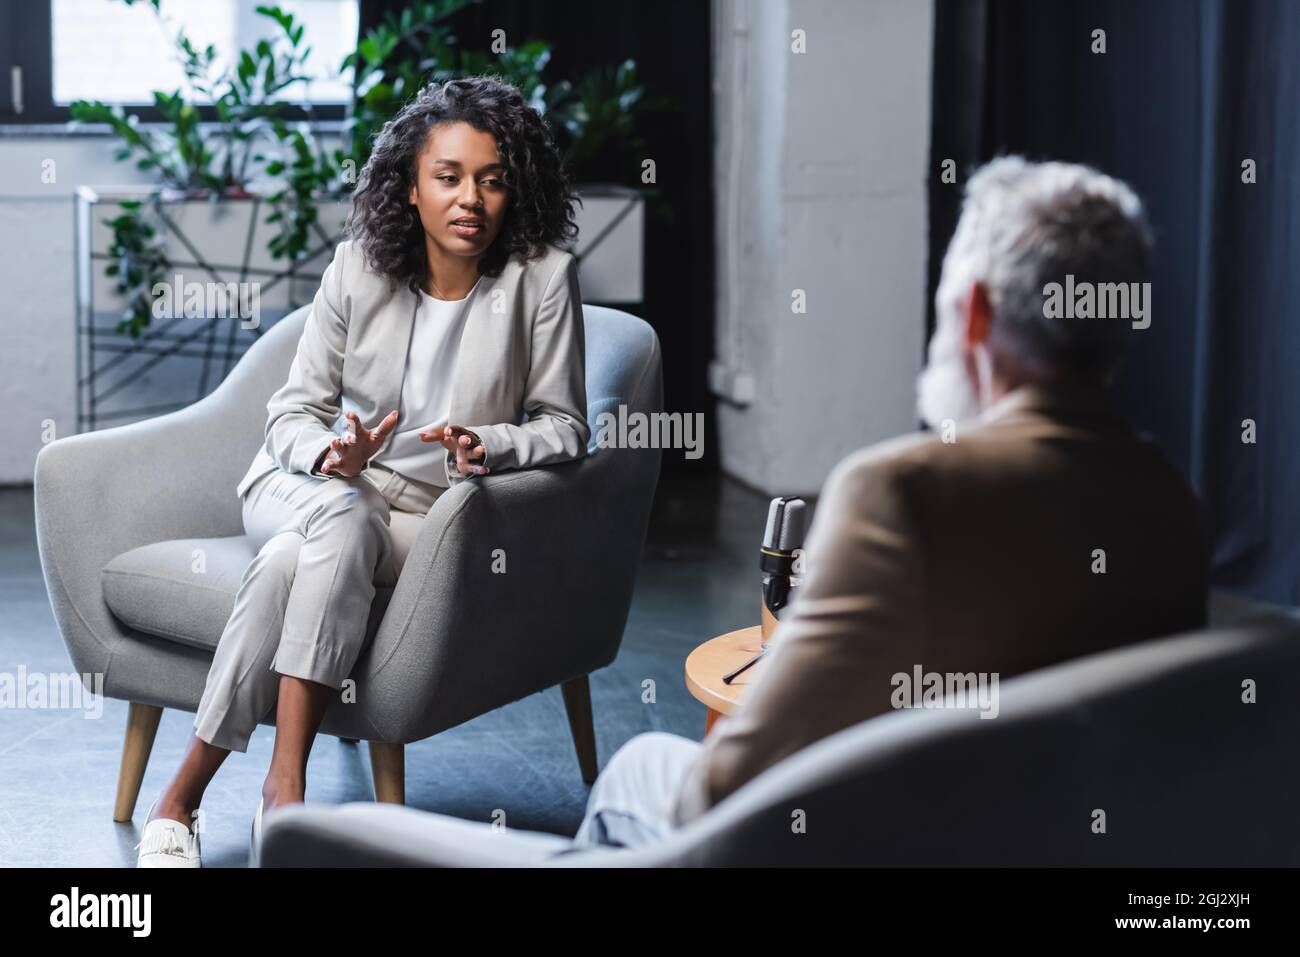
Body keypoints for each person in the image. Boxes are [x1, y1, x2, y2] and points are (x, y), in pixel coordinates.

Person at [136, 75, 590, 867]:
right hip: (305, 488)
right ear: (411, 188)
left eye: (491, 179)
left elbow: (567, 426)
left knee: (289, 565)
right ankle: (282, 794)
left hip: (430, 521)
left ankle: (184, 799)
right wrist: (330, 456)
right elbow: (290, 413)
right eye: (447, 177)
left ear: (514, 186)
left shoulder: (541, 278)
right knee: (339, 513)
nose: (470, 200)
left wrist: (491, 445)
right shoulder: (358, 266)